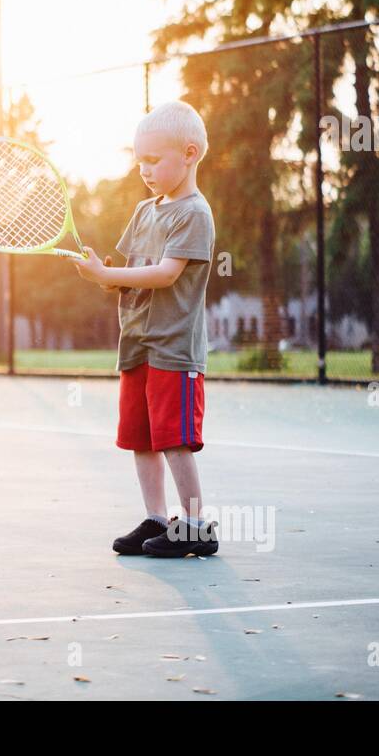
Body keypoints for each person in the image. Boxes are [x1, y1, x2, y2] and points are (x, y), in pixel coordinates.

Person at [71, 100, 218, 557]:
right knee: (141, 438)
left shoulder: (194, 213)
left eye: (154, 161)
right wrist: (105, 276)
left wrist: (109, 276)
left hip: (174, 349)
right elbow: (132, 274)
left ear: (190, 153)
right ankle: (157, 519)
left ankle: (195, 526)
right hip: (136, 345)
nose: (145, 171)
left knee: (175, 440)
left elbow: (165, 273)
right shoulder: (144, 212)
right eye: (140, 162)